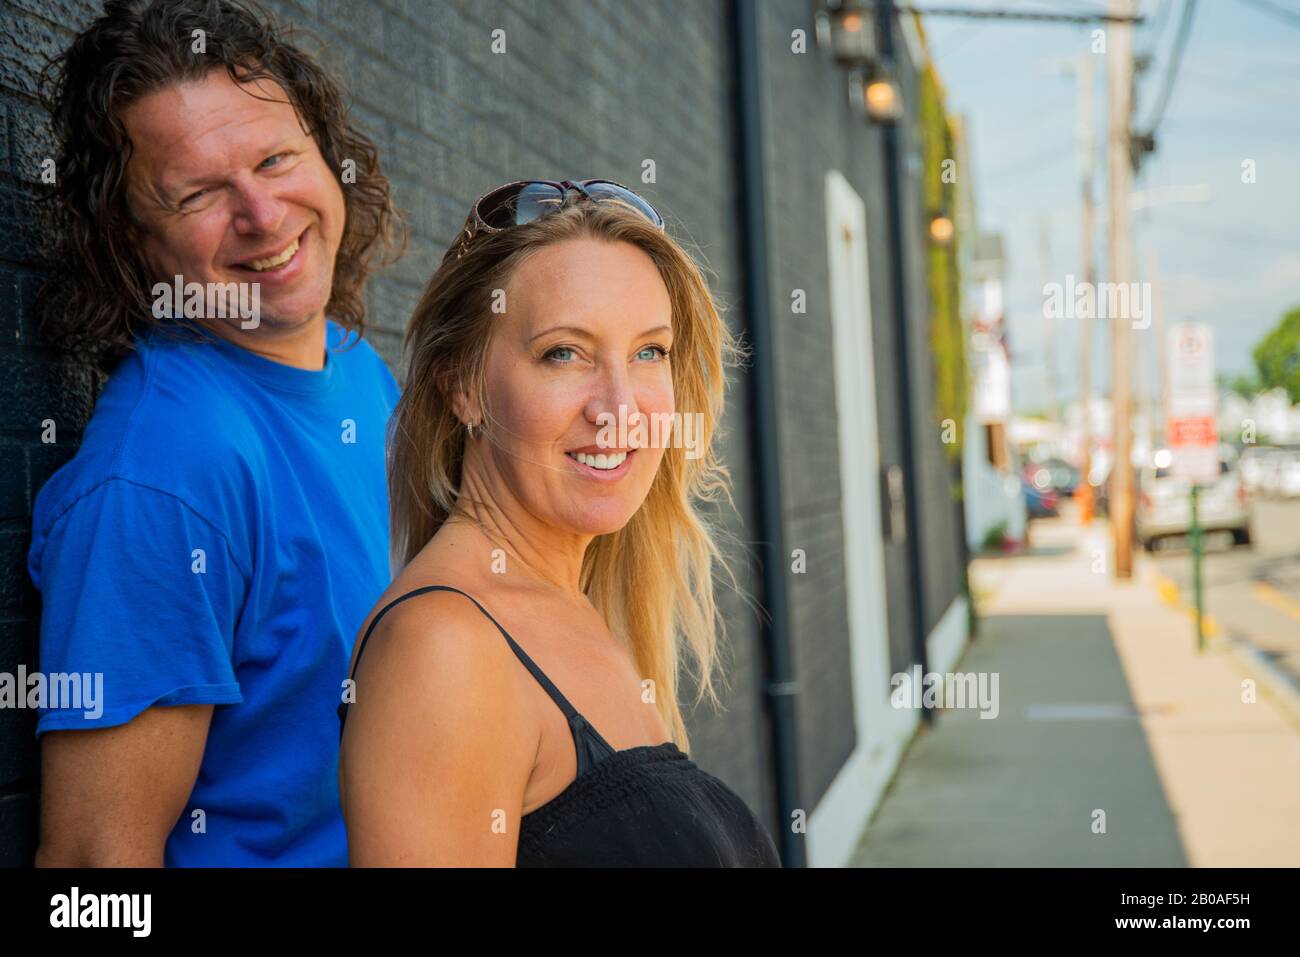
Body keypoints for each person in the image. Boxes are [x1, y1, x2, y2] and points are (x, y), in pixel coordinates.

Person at [28, 0, 405, 866]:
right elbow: (92, 871)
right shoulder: (165, 474)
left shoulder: (357, 371)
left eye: (276, 159)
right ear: (135, 242)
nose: (265, 216)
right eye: (198, 193)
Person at [338, 179, 782, 867]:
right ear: (463, 387)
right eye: (563, 353)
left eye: (649, 352)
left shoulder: (579, 599)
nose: (618, 408)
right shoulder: (444, 651)